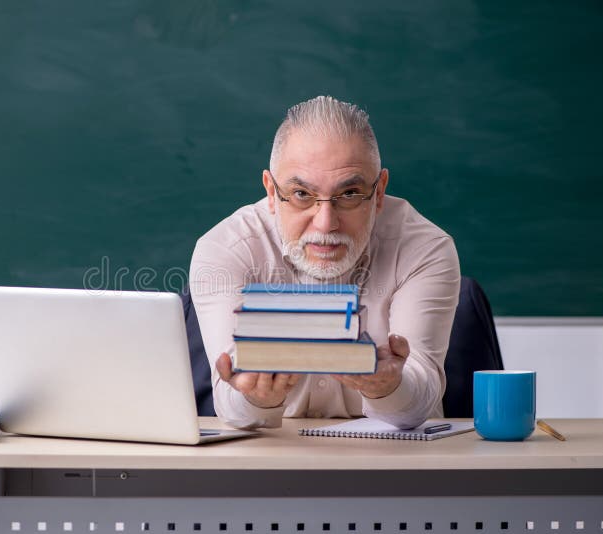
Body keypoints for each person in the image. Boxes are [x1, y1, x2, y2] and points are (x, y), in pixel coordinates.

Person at [189, 96, 460, 430]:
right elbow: (230, 405)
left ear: (378, 193)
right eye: (302, 194)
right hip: (271, 464)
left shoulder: (425, 248)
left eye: (348, 194)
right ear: (272, 193)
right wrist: (257, 398)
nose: (325, 223)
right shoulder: (225, 249)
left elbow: (420, 401)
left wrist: (389, 387)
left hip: (396, 466)